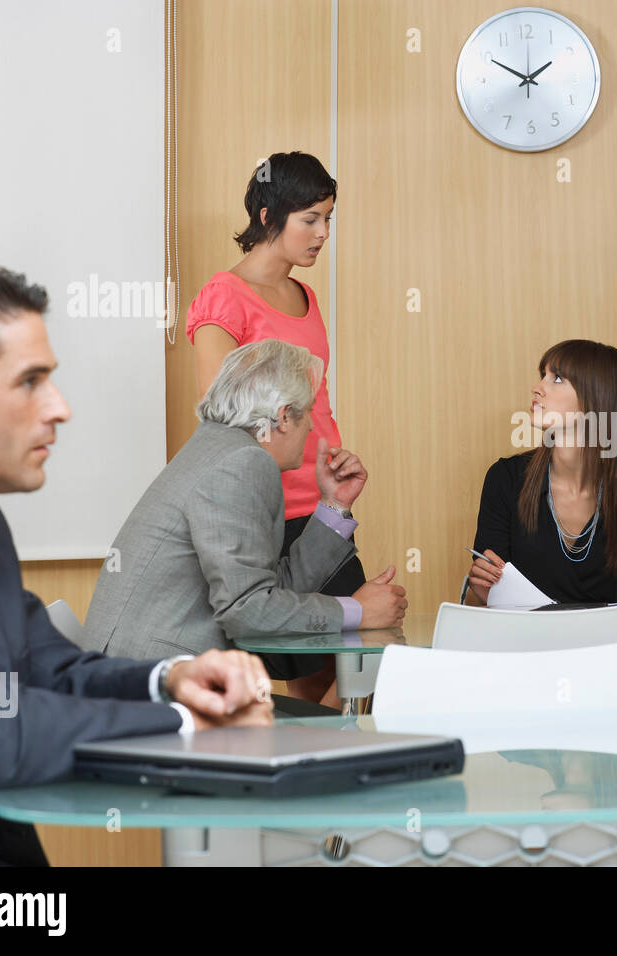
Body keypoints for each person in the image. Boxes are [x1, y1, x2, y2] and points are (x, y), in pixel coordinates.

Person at [0, 258, 273, 867]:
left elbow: (46, 668)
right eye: (30, 381)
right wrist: (184, 726)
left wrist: (171, 680)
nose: (60, 408)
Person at [83, 341, 407, 687]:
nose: (312, 427)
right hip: (150, 688)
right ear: (283, 417)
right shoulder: (242, 463)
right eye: (308, 411)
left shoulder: (218, 448)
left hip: (136, 674)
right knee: (325, 732)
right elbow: (247, 611)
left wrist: (334, 505)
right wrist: (357, 613)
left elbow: (261, 590)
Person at [187, 150, 363, 701]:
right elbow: (225, 417)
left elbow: (316, 400)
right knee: (285, 651)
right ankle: (276, 761)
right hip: (264, 509)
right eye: (310, 219)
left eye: (328, 219)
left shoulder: (305, 296)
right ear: (268, 217)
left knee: (345, 654)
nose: (322, 233)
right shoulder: (223, 298)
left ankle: (304, 757)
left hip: (323, 504)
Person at [468, 340, 617, 607]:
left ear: (596, 396)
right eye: (542, 376)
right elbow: (478, 599)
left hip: (608, 641)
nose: (537, 388)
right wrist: (478, 586)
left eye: (556, 378)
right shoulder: (505, 477)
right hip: (527, 641)